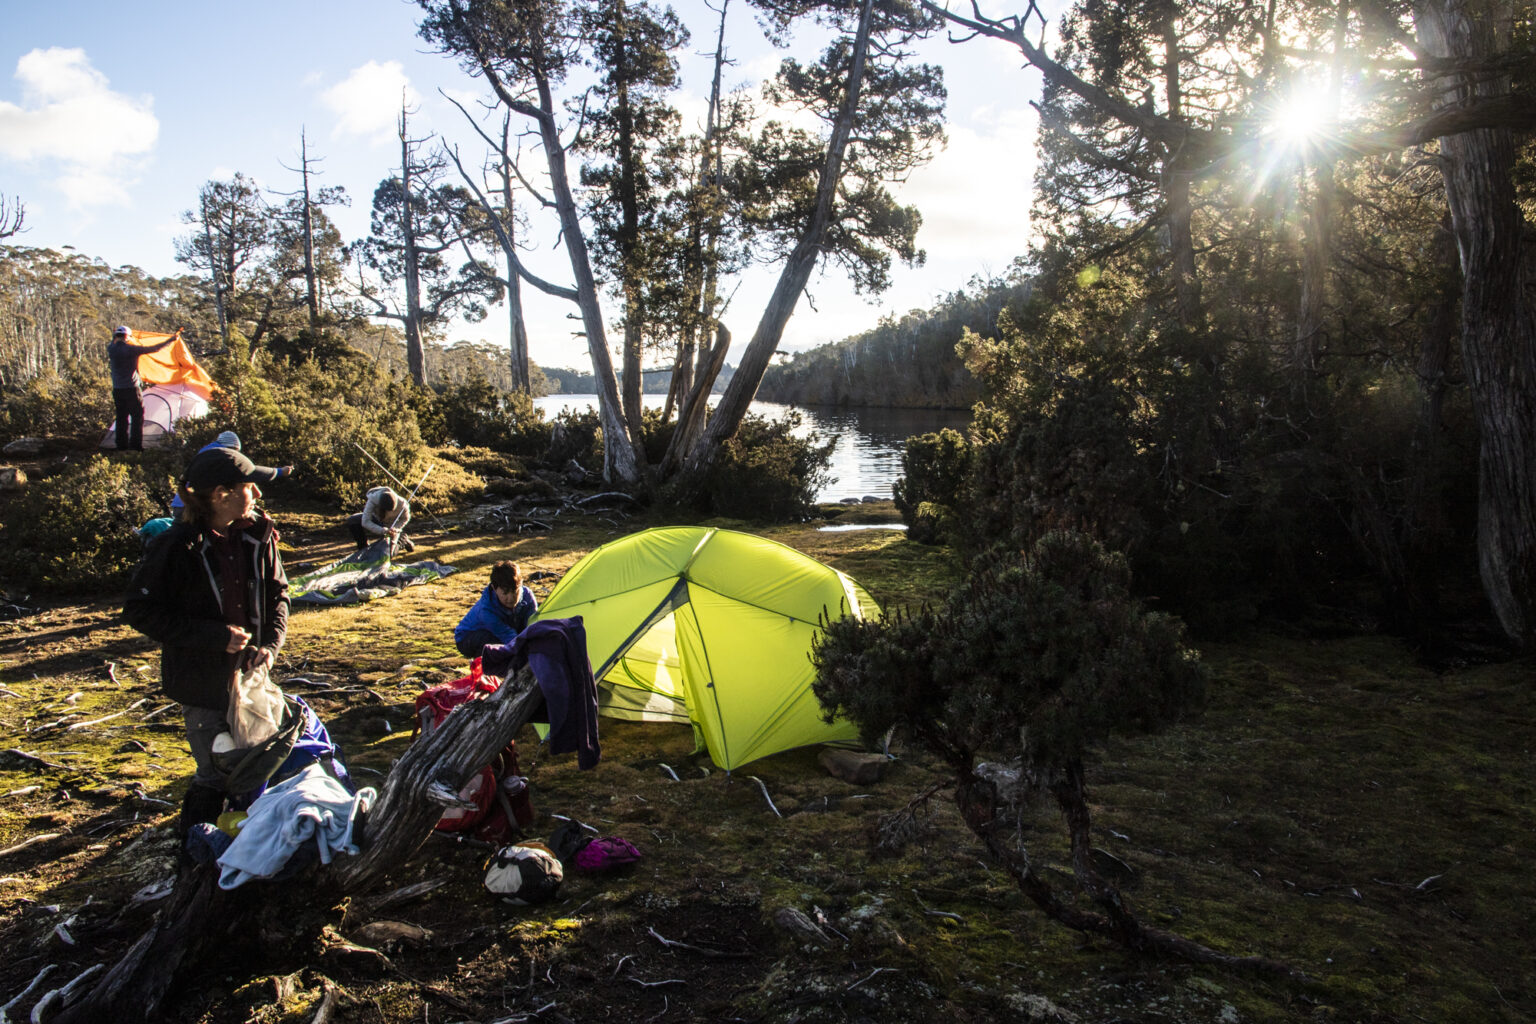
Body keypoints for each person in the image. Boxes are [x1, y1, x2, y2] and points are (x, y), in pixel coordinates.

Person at [123, 446, 290, 833]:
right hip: (201, 683)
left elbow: (279, 594)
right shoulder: (176, 546)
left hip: (251, 677)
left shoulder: (259, 536)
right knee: (213, 774)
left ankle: (246, 842)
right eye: (250, 485)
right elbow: (139, 610)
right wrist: (214, 638)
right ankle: (196, 853)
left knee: (258, 763)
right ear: (221, 495)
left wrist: (270, 644)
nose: (258, 495)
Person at [170, 431, 293, 512]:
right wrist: (280, 472)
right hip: (189, 507)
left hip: (182, 504)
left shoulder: (207, 453)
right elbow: (245, 473)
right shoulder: (218, 457)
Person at [107, 325, 174, 451]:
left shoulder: (111, 349)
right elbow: (155, 348)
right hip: (132, 389)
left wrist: (115, 335)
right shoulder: (131, 349)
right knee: (137, 416)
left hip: (117, 389)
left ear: (116, 336)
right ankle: (135, 446)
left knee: (121, 416)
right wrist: (170, 340)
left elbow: (113, 341)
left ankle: (121, 445)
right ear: (127, 336)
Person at [454, 560, 538, 658]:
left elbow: (533, 624)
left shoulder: (528, 596)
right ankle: (486, 667)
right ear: (494, 588)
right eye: (505, 593)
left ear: (521, 584)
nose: (511, 598)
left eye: (515, 591)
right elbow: (507, 636)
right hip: (468, 637)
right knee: (496, 646)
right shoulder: (486, 610)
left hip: (507, 629)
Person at [347, 486, 414, 552]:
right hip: (377, 520)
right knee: (353, 520)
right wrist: (382, 530)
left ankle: (403, 539)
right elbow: (365, 521)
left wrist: (395, 528)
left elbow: (405, 519)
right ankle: (363, 548)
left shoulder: (403, 504)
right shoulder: (373, 499)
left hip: (391, 525)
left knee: (389, 552)